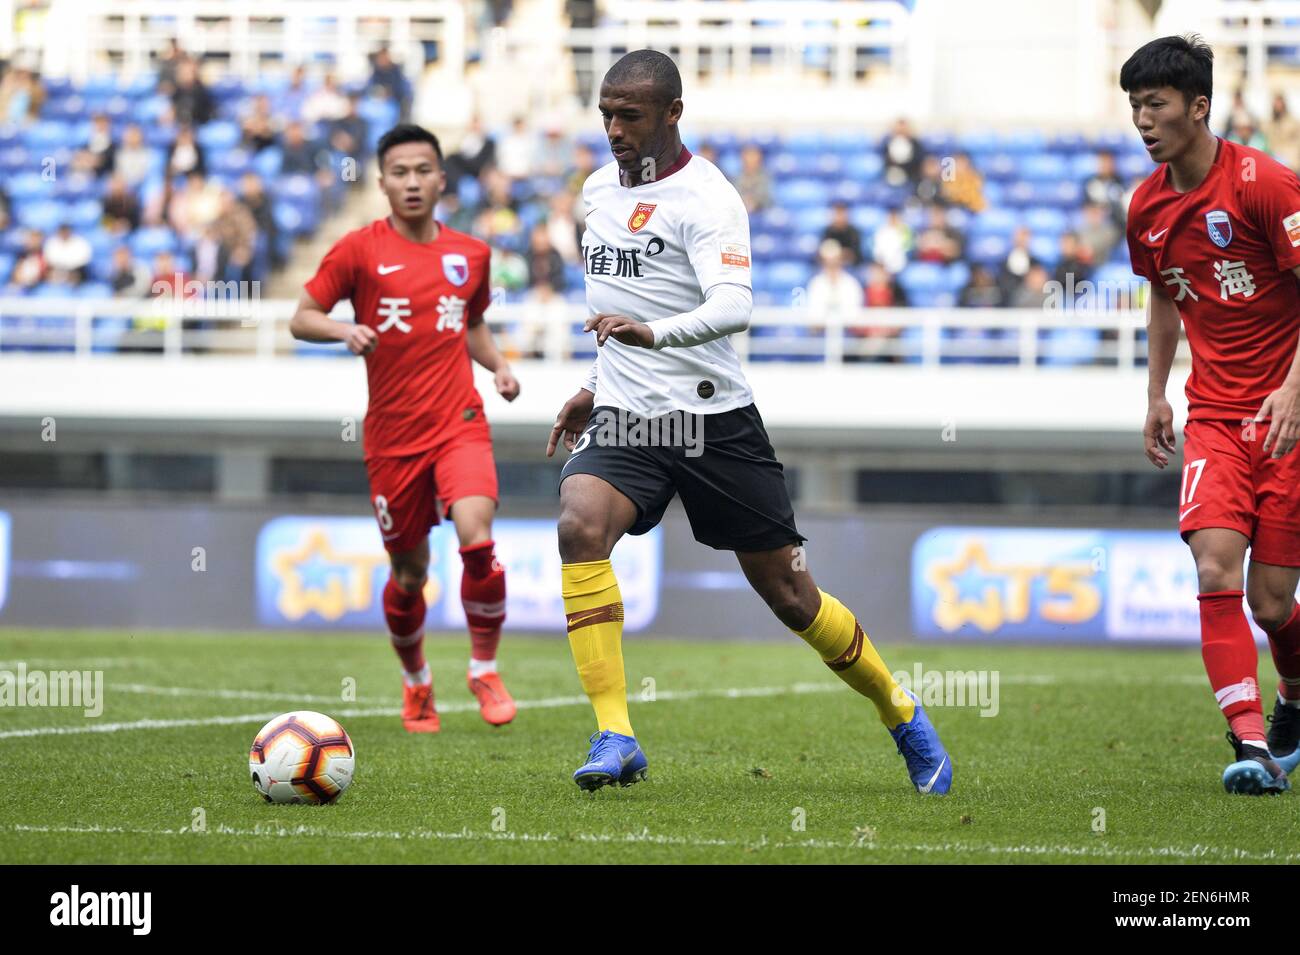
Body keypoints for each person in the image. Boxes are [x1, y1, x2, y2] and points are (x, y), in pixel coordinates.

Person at [544, 50, 952, 795]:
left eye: (629, 115)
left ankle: (901, 711)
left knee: (790, 593)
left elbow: (734, 304)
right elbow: (608, 306)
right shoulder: (597, 193)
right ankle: (615, 732)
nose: (613, 129)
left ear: (672, 113)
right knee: (579, 524)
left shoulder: (709, 197)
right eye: (605, 113)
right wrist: (593, 383)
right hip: (631, 419)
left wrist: (652, 335)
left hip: (713, 422)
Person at [290, 124, 521, 733]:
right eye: (400, 172)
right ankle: (417, 682)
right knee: (410, 574)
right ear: (383, 181)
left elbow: (470, 325)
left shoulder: (471, 254)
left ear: (442, 179)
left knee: (477, 536)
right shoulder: (358, 251)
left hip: (459, 421)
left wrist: (497, 366)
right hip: (392, 438)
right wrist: (344, 330)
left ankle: (484, 668)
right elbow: (301, 317)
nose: (413, 182)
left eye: (424, 170)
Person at [1125, 35, 1300, 794]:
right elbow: (1165, 294)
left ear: (1198, 107)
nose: (1142, 119)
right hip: (1217, 421)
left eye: (1155, 104)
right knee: (1214, 567)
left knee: (1273, 600)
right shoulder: (1146, 207)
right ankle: (1253, 744)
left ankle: (1293, 696)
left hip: (1291, 418)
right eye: (1134, 105)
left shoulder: (1267, 185)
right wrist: (1157, 389)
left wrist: (1295, 389)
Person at [820, 200, 863, 266]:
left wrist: (837, 253)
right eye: (837, 214)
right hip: (831, 265)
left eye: (842, 214)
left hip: (850, 266)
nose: (839, 217)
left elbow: (855, 255)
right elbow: (823, 252)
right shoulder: (828, 231)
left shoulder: (853, 232)